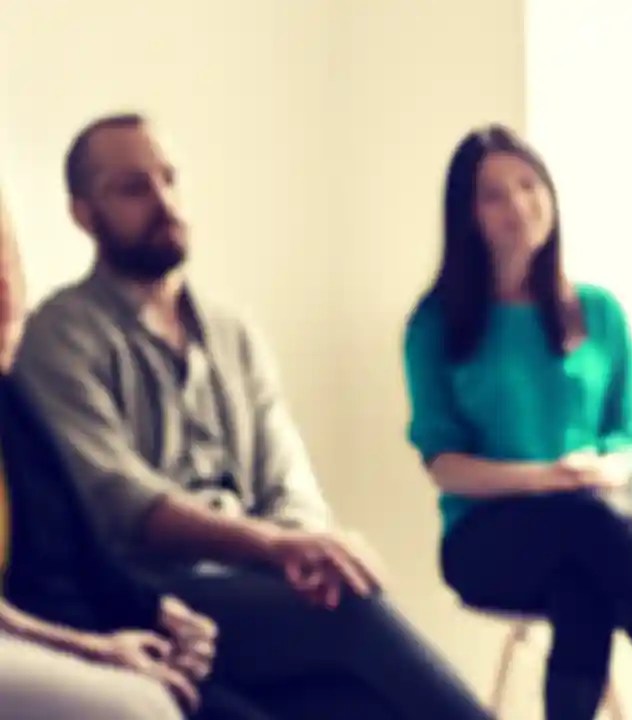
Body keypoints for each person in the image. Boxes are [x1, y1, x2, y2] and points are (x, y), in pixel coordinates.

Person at [13, 114, 490, 720]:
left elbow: (287, 478)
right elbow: (121, 503)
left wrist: (305, 552)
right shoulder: (60, 335)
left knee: (351, 696)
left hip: (260, 589)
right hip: (157, 594)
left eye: (169, 178)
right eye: (134, 188)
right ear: (83, 214)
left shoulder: (234, 334)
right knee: (355, 612)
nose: (163, 201)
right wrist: (277, 547)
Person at [402, 124, 632, 720]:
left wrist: (606, 465)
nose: (518, 204)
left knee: (583, 585)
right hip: (484, 540)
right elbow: (445, 465)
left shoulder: (598, 310)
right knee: (590, 530)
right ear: (467, 214)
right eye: (494, 194)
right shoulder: (436, 323)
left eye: (527, 184)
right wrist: (545, 478)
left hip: (591, 524)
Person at [0, 185, 221, 720]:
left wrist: (161, 614)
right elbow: (123, 502)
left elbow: (81, 545)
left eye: (7, 256)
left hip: (66, 631)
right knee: (136, 709)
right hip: (44, 642)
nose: (5, 289)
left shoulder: (12, 400)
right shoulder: (66, 338)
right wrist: (90, 651)